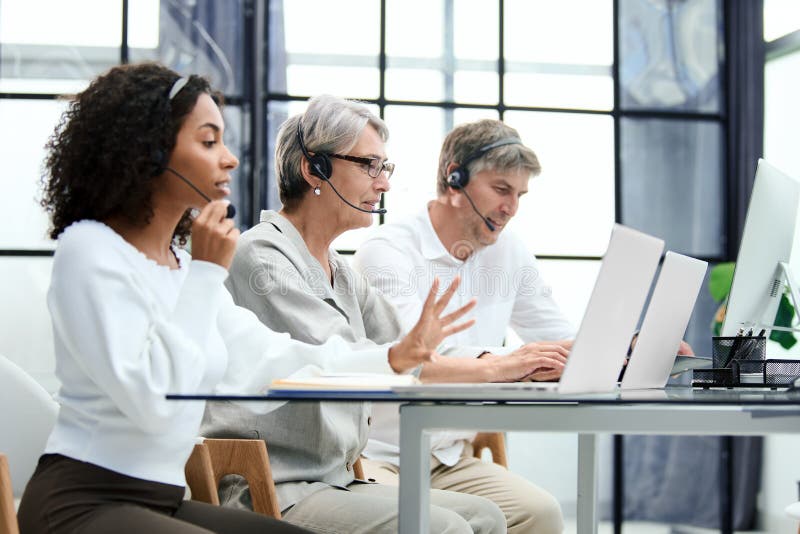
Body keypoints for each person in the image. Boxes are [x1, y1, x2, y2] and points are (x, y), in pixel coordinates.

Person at [16, 64, 470, 534]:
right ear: (148, 150)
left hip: (160, 500)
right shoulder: (90, 250)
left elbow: (275, 360)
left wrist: (392, 358)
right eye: (209, 141)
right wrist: (209, 272)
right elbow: (156, 403)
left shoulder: (182, 268)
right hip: (82, 502)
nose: (229, 159)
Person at [213, 95, 566, 534]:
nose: (383, 184)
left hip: (335, 478)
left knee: (487, 516)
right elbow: (345, 361)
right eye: (369, 166)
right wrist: (499, 364)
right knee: (448, 528)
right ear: (314, 168)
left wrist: (510, 364)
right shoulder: (264, 256)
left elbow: (412, 357)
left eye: (386, 168)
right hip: (278, 485)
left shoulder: (339, 270)